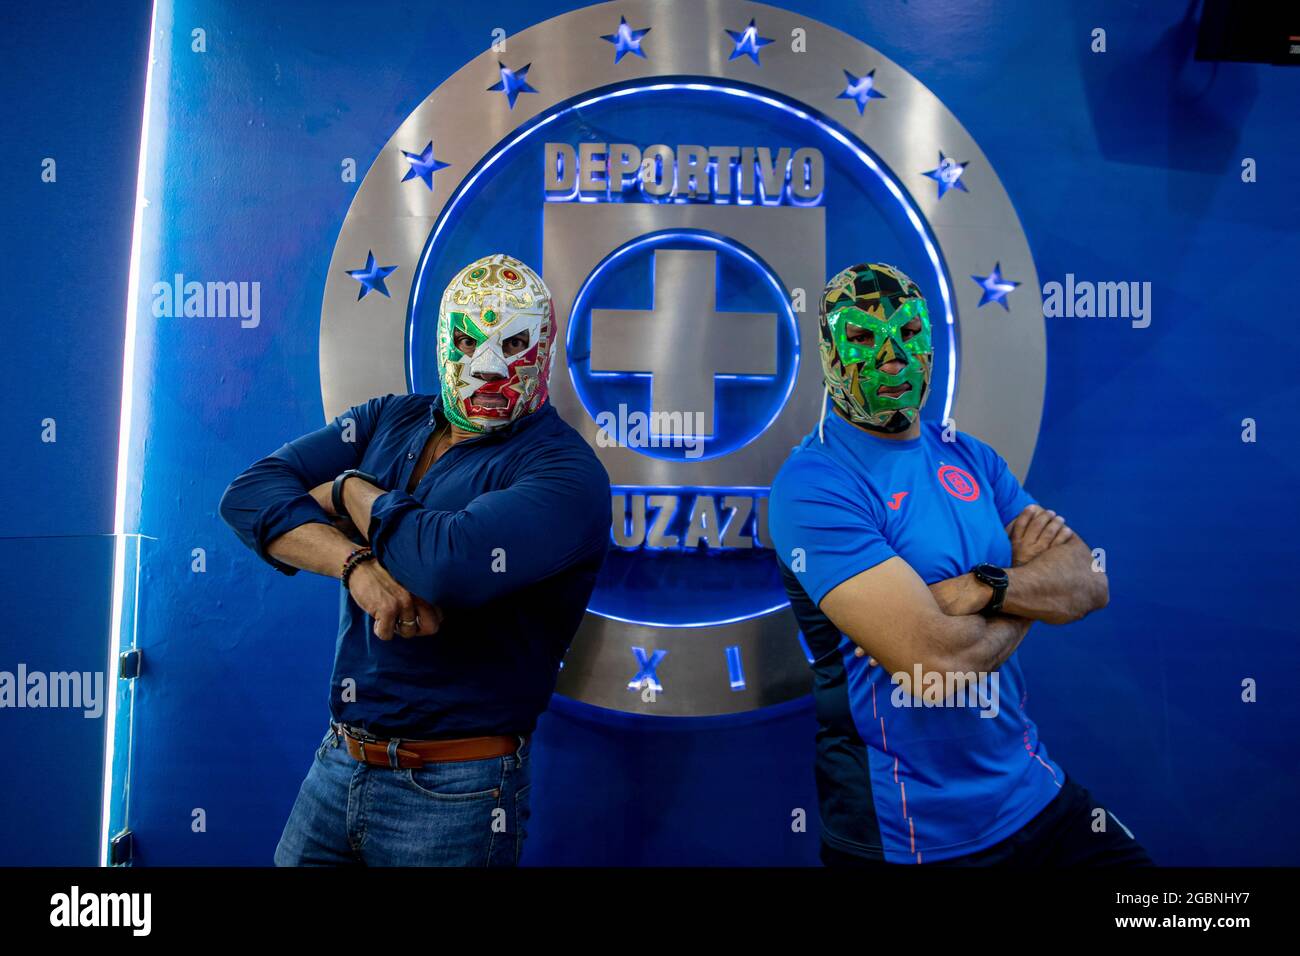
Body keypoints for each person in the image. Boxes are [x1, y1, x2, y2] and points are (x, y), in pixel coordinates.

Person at [219, 253, 610, 866]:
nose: (488, 366)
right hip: (339, 762)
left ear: (547, 345)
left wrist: (350, 489)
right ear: (442, 340)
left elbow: (448, 563)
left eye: (514, 343)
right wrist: (358, 568)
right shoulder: (389, 419)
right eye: (469, 340)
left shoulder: (565, 473)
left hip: (459, 788)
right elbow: (250, 496)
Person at [768, 262, 1151, 866]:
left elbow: (1088, 582)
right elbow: (937, 663)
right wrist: (1027, 592)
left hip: (1033, 793)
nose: (892, 357)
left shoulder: (969, 456)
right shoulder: (814, 486)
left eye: (908, 333)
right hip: (909, 831)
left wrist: (982, 587)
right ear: (829, 353)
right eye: (864, 338)